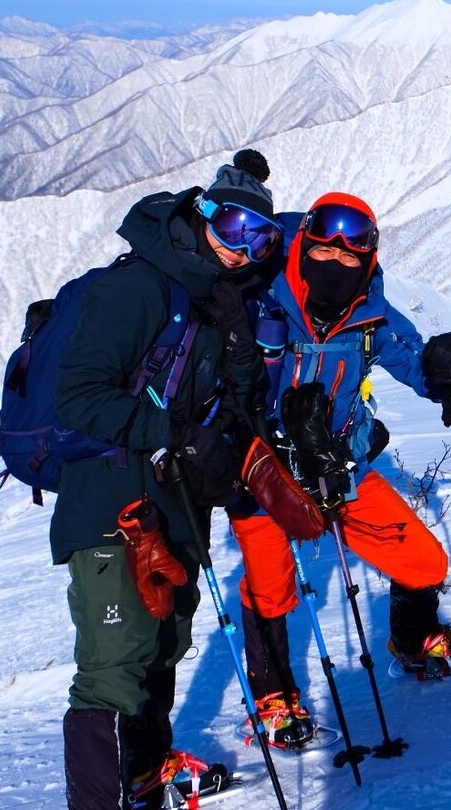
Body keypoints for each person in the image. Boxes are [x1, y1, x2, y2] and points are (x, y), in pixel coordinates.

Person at [53, 150, 281, 810]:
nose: (245, 249)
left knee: (164, 644)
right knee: (113, 670)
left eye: (259, 238)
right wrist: (176, 435)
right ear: (202, 215)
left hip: (174, 507)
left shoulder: (218, 301)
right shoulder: (140, 288)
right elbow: (79, 397)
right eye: (235, 229)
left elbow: (227, 405)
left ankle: (145, 775)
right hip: (110, 507)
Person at [227, 189, 451, 720]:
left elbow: (417, 363)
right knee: (271, 593)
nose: (336, 263)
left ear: (367, 259)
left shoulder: (371, 313)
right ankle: (276, 700)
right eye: (324, 250)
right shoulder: (261, 301)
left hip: (344, 470)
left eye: (351, 256)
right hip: (266, 477)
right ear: (304, 245)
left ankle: (413, 642)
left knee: (424, 563)